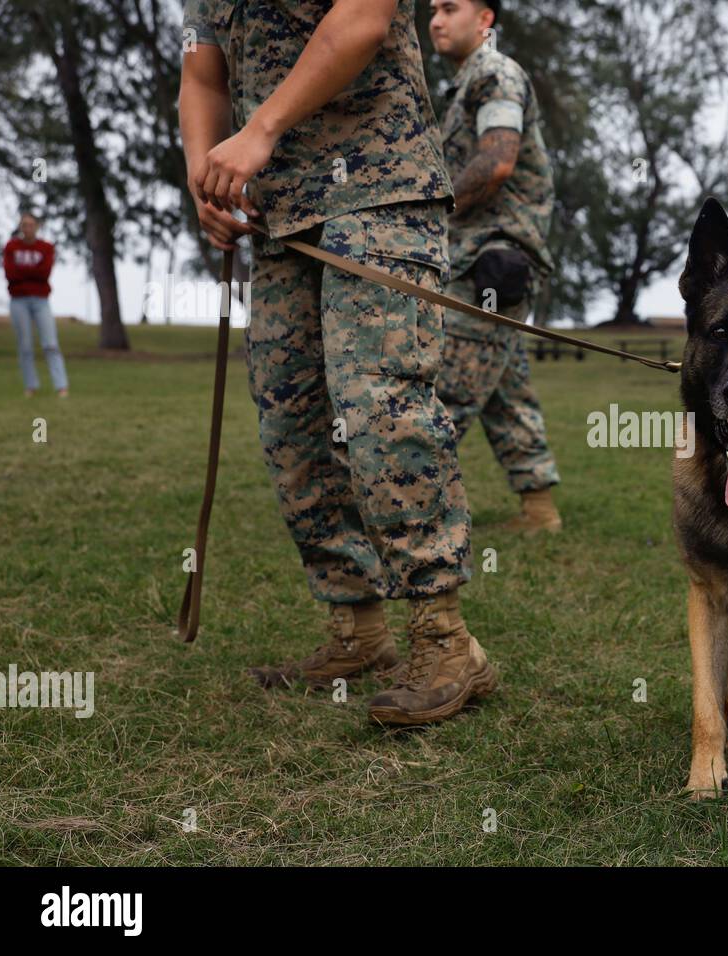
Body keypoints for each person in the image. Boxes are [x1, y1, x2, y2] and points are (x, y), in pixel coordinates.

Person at [179, 0, 497, 726]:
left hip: (379, 189)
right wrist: (204, 171)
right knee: (293, 428)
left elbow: (363, 17)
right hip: (280, 215)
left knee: (378, 407)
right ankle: (357, 630)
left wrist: (257, 133)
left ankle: (446, 641)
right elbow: (202, 75)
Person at [428, 0, 563, 533]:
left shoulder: (494, 74)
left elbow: (497, 162)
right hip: (479, 255)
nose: (435, 19)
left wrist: (424, 211)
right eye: (432, 9)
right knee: (505, 387)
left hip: (493, 258)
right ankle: (539, 509)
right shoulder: (466, 83)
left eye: (450, 7)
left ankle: (406, 510)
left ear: (485, 19)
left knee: (448, 391)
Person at [3, 212, 68, 399]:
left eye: (31, 224)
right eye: (24, 224)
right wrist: (31, 273)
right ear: (20, 227)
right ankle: (30, 386)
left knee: (50, 343)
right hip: (18, 301)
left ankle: (61, 386)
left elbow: (44, 273)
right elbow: (10, 273)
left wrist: (23, 273)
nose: (27, 228)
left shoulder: (46, 248)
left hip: (41, 300)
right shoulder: (11, 247)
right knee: (25, 345)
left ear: (37, 227)